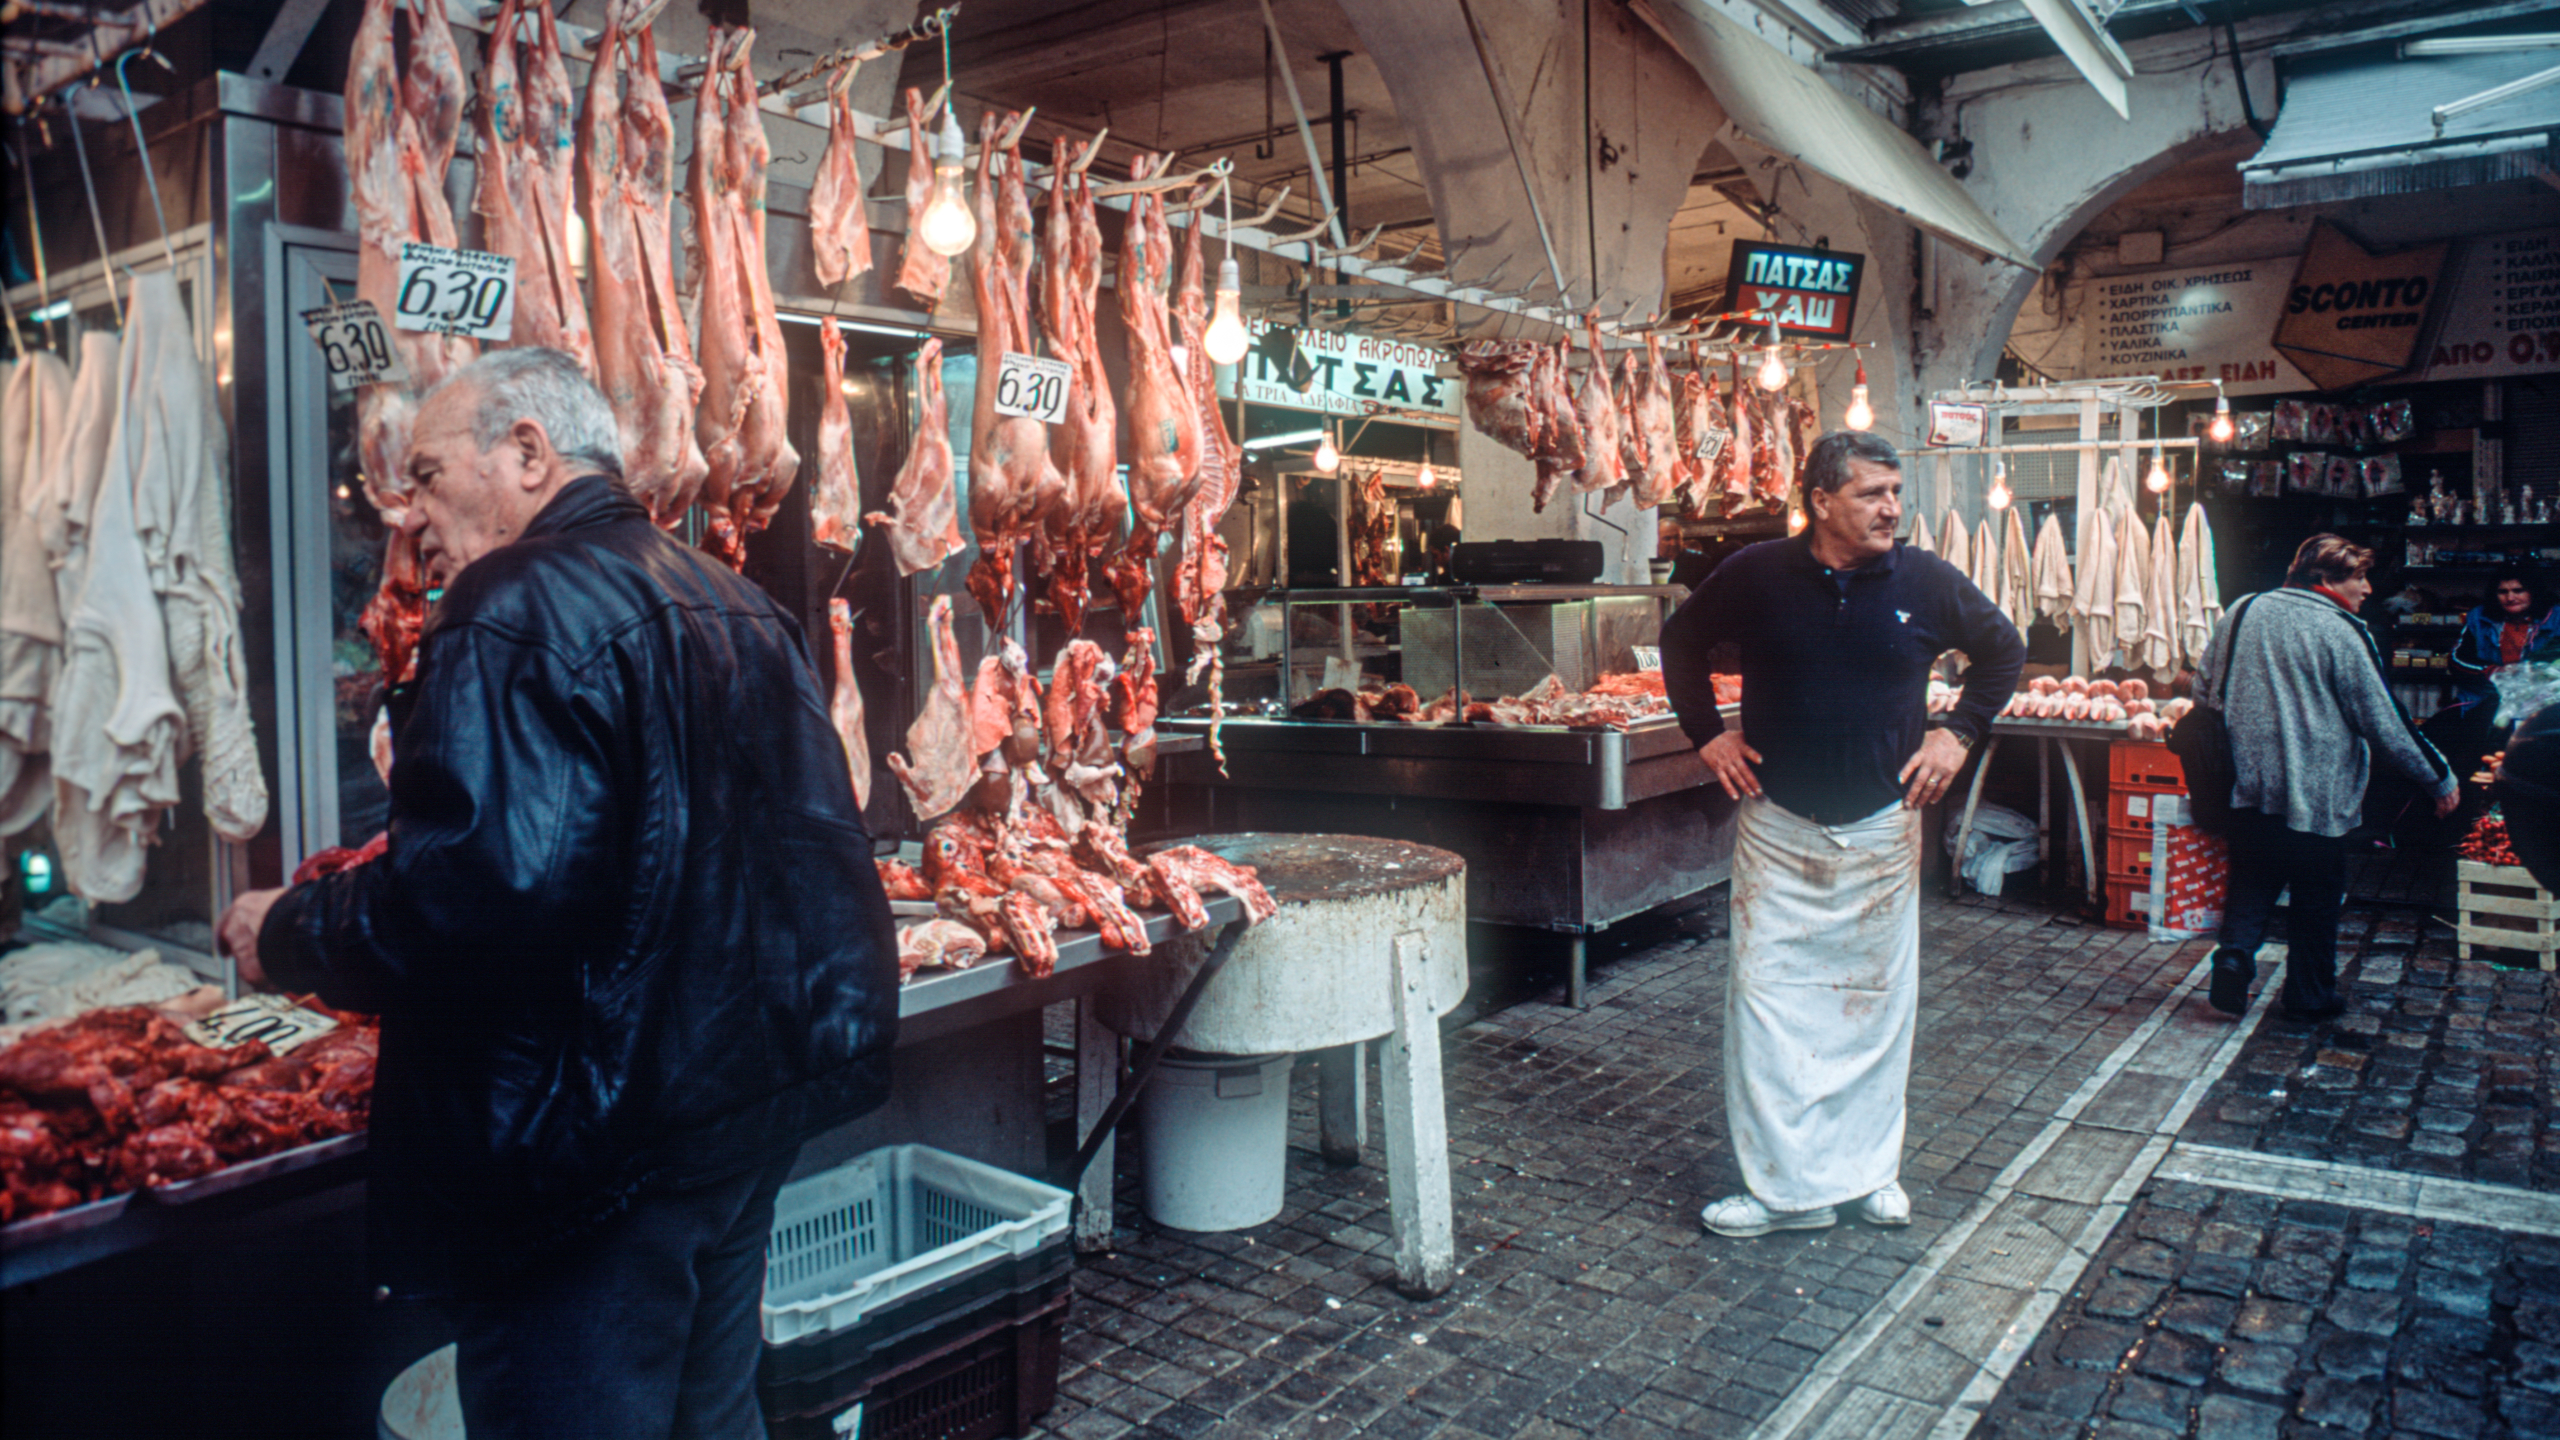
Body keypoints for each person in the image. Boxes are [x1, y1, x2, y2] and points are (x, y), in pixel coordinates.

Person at [215, 348, 900, 1439]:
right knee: (713, 1418)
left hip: (594, 1155)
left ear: (528, 453)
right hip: (737, 1117)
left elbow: (481, 896)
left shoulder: (512, 601)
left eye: (430, 476)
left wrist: (292, 933)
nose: (412, 518)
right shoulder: (735, 600)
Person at [1660, 431, 2023, 1239]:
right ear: (1820, 500)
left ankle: (1868, 1175)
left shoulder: (1925, 581)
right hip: (1778, 827)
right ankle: (1782, 1189)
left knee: (1874, 1010)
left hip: (1881, 833)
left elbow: (2003, 650)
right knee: (1767, 1008)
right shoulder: (1755, 575)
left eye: (1895, 492)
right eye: (1871, 493)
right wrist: (1705, 734)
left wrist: (1956, 733)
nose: (1892, 508)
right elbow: (1681, 643)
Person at [2195, 533, 2456, 1023]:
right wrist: (2438, 778)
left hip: (2248, 784)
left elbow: (2204, 689)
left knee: (2253, 877)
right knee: (2316, 898)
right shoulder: (2341, 630)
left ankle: (2233, 957)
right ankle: (2309, 995)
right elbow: (2382, 719)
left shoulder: (2243, 610)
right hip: (2317, 793)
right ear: (2325, 581)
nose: (2368, 589)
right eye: (2358, 577)